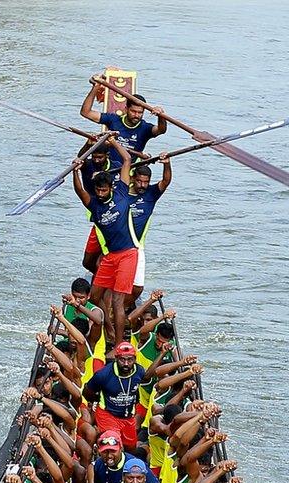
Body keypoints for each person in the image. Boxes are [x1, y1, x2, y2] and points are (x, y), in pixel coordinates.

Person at [72, 143, 137, 347]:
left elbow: (126, 160)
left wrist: (113, 141)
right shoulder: (94, 204)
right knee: (95, 296)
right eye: (98, 190)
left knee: (118, 302)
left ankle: (118, 345)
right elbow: (80, 192)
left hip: (127, 254)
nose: (100, 193)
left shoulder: (122, 194)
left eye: (103, 190)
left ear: (110, 188)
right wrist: (75, 171)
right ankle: (107, 328)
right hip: (110, 257)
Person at [80, 81, 167, 164]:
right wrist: (96, 87)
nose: (136, 115)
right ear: (126, 109)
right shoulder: (113, 119)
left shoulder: (145, 128)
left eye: (140, 112)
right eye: (133, 111)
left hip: (130, 169)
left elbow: (161, 130)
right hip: (110, 167)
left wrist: (161, 115)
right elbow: (86, 112)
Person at [82, 341, 144, 450]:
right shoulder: (103, 375)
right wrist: (96, 400)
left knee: (131, 448)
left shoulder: (139, 371)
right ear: (116, 358)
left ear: (135, 359)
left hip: (128, 416)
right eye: (122, 359)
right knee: (114, 445)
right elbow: (87, 391)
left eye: (130, 360)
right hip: (108, 415)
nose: (126, 364)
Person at [127, 158, 172, 303]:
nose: (143, 185)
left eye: (146, 182)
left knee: (138, 288)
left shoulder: (151, 194)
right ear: (133, 178)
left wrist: (167, 163)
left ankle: (124, 308)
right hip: (118, 245)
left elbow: (166, 181)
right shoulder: (122, 193)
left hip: (137, 246)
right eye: (139, 181)